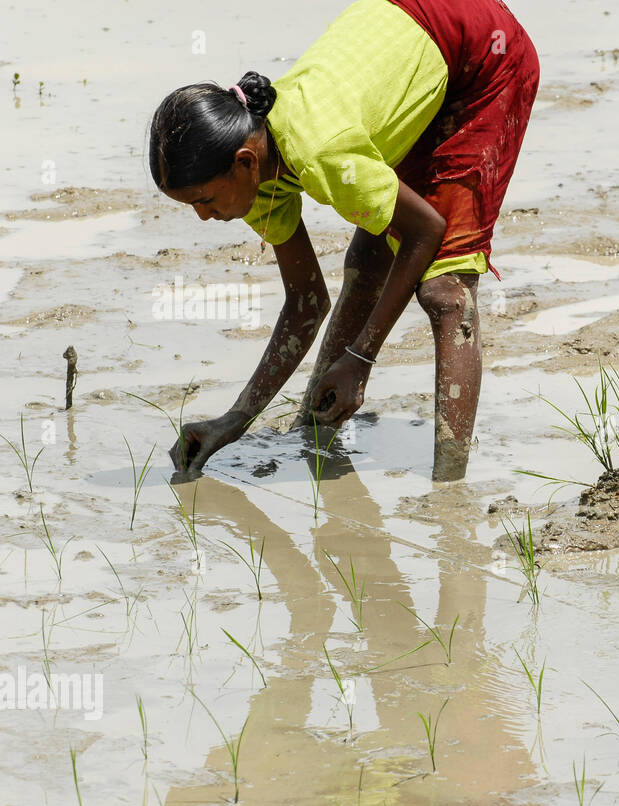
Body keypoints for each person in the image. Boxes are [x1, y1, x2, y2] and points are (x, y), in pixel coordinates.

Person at [147, 0, 540, 481]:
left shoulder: (322, 152)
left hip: (482, 55)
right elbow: (306, 302)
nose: (204, 217)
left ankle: (449, 491)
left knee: (445, 288)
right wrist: (235, 420)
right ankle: (315, 431)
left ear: (245, 162)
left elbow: (426, 229)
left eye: (204, 200)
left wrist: (360, 359)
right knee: (369, 255)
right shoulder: (257, 167)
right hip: (416, 45)